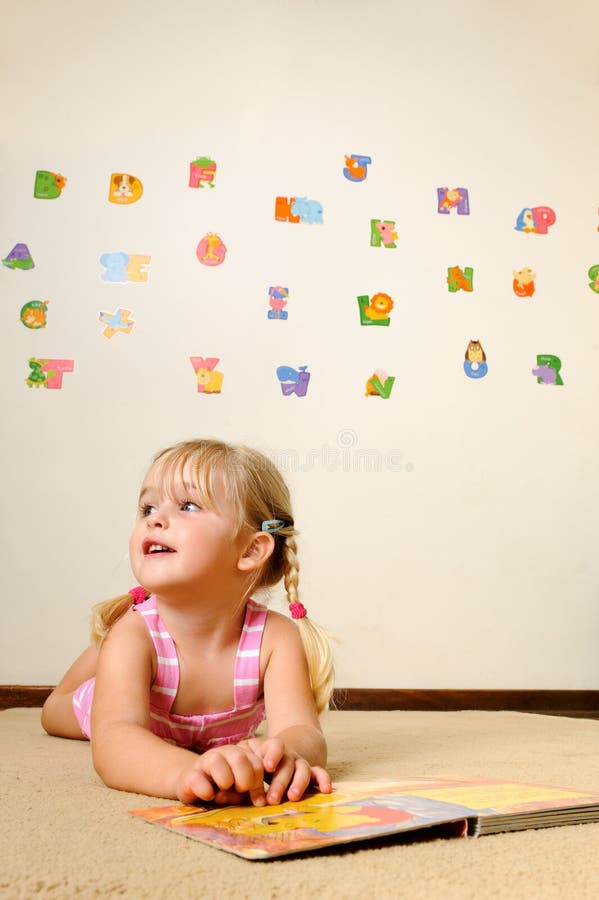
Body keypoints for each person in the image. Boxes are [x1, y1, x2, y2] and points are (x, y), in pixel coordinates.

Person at [42, 439, 334, 807]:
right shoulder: (134, 636)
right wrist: (187, 772)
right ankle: (104, 652)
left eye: (188, 505)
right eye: (147, 507)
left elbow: (303, 729)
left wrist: (284, 757)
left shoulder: (274, 637)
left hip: (151, 671)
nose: (154, 518)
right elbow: (115, 740)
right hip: (109, 694)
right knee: (55, 710)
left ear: (250, 550)